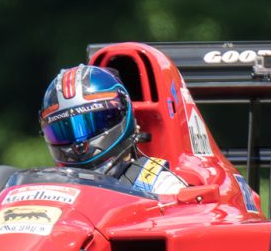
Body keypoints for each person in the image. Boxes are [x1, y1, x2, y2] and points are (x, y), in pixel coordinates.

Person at [39, 64, 187, 195]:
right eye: (64, 129)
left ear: (121, 112)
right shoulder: (49, 192)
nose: (80, 144)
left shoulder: (162, 186)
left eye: (94, 121)